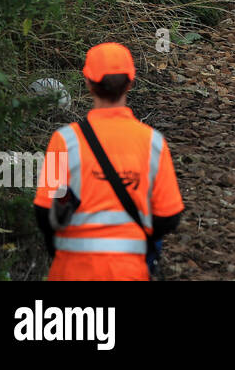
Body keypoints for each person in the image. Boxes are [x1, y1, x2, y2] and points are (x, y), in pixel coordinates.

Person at [34, 43, 184, 281]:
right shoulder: (153, 143)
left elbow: (44, 213)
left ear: (88, 84)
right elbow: (169, 217)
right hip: (129, 272)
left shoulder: (64, 141)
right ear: (131, 83)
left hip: (71, 272)